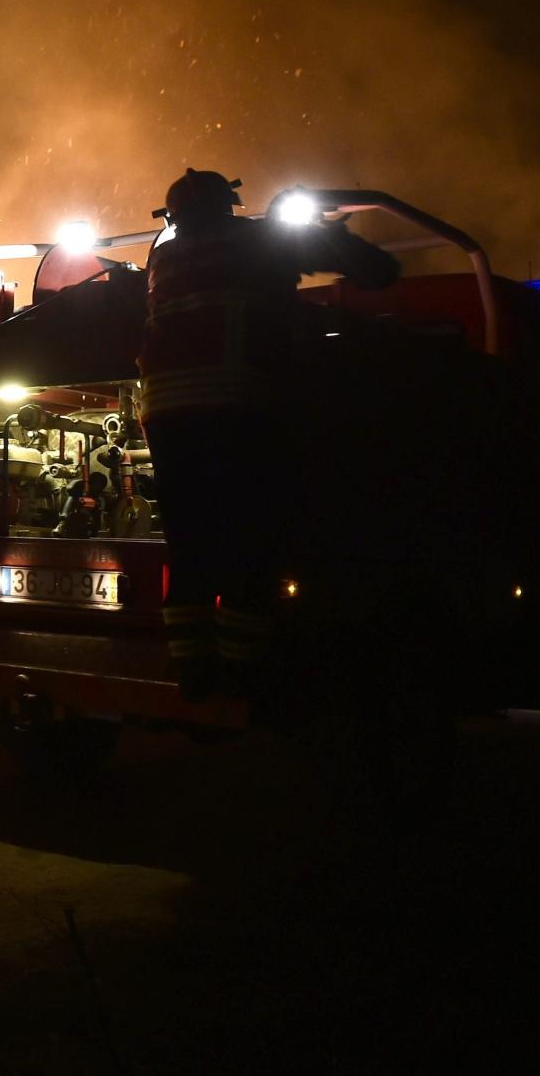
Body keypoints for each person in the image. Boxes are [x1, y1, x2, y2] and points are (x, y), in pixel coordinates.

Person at [138, 170, 399, 699]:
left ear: (174, 218)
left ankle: (193, 673)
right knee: (250, 537)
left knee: (190, 545)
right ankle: (241, 673)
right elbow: (377, 270)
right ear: (228, 207)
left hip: (166, 414)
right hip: (237, 407)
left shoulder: (163, 258)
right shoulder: (258, 240)